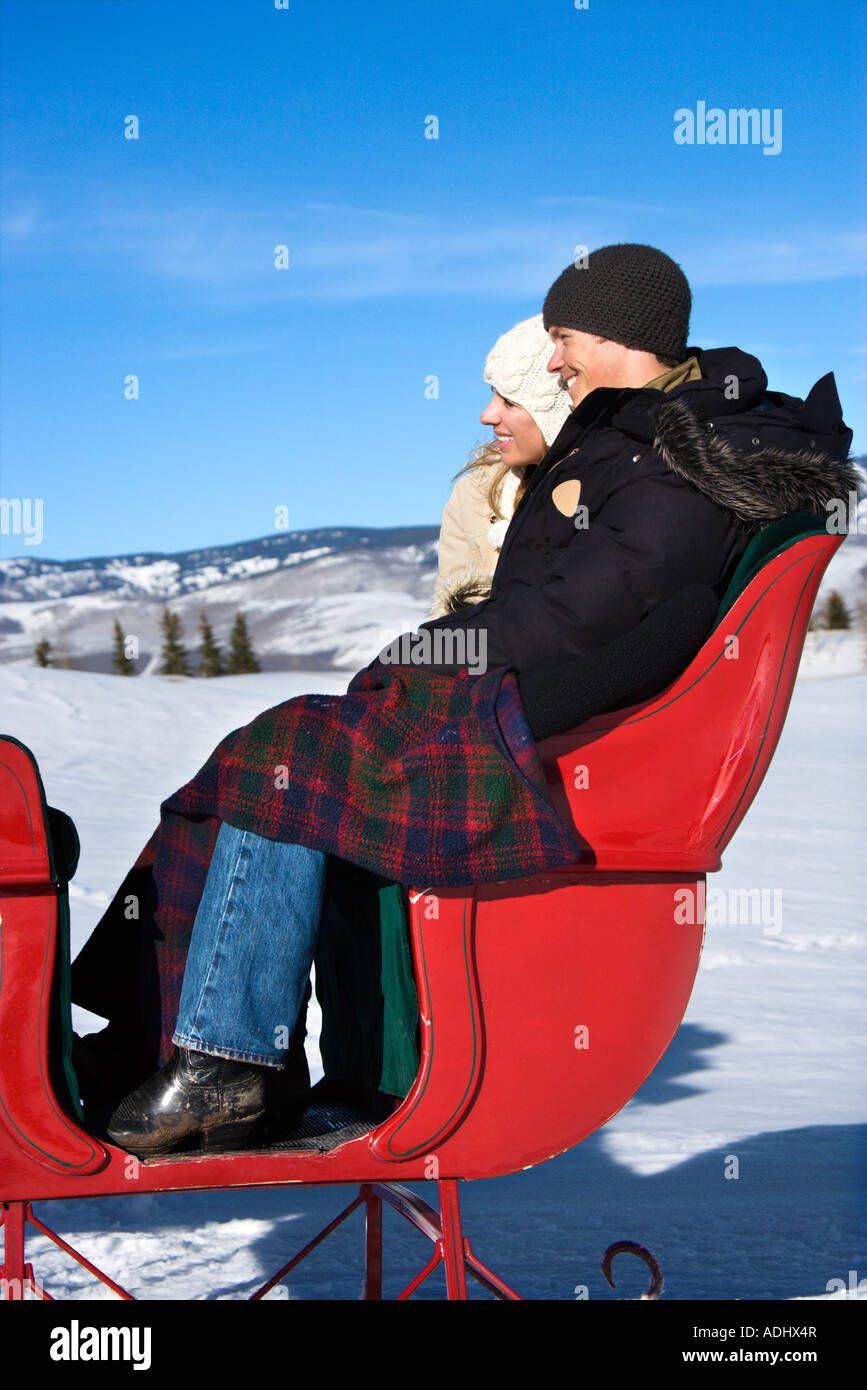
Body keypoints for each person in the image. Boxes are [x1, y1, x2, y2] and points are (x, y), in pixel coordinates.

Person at [71, 243, 855, 1157]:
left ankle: (228, 1062)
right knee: (274, 749)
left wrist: (428, 655)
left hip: (552, 720)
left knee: (291, 754)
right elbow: (556, 605)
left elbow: (586, 615)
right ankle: (175, 1045)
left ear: (615, 333)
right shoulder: (638, 438)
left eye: (561, 335)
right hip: (538, 699)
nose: (553, 356)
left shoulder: (667, 453)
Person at [431, 314, 571, 617]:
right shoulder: (475, 496)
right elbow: (456, 631)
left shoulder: (615, 484)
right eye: (492, 395)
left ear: (557, 412)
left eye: (509, 402)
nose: (487, 415)